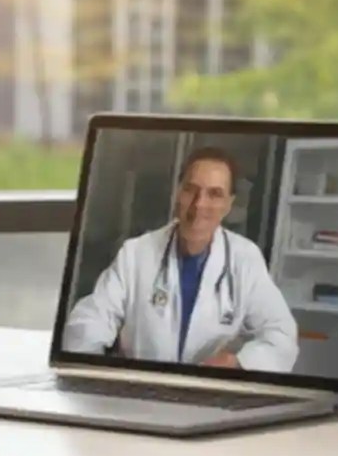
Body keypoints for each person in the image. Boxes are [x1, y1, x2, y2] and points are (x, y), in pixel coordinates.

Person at [63, 147, 299, 371]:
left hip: (210, 394)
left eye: (214, 194)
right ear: (178, 191)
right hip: (139, 390)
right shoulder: (136, 253)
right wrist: (95, 369)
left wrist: (236, 362)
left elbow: (281, 335)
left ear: (229, 204)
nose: (199, 205)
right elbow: (89, 320)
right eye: (190, 190)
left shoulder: (245, 258)